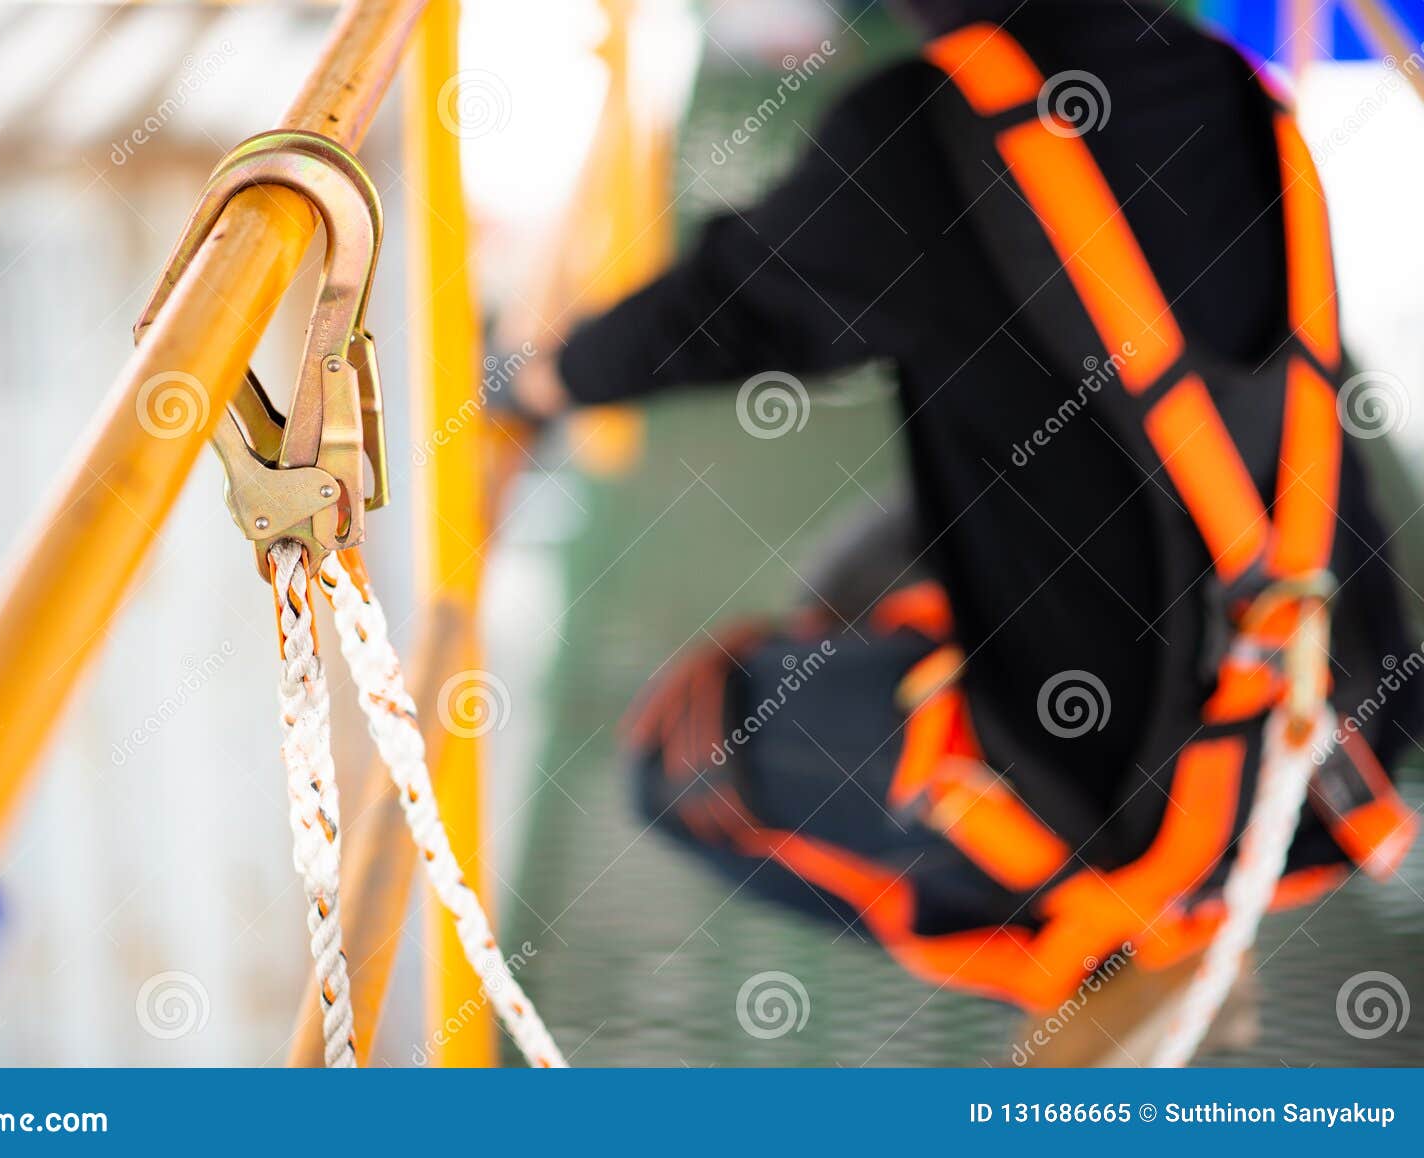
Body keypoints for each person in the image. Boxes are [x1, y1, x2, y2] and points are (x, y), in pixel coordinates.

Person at [509, 0, 1420, 1013]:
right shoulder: (1237, 93)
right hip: (1341, 737)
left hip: (1123, 803)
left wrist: (536, 382)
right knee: (905, 531)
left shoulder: (930, 134)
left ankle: (1084, 947)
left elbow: (725, 308)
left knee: (681, 757)